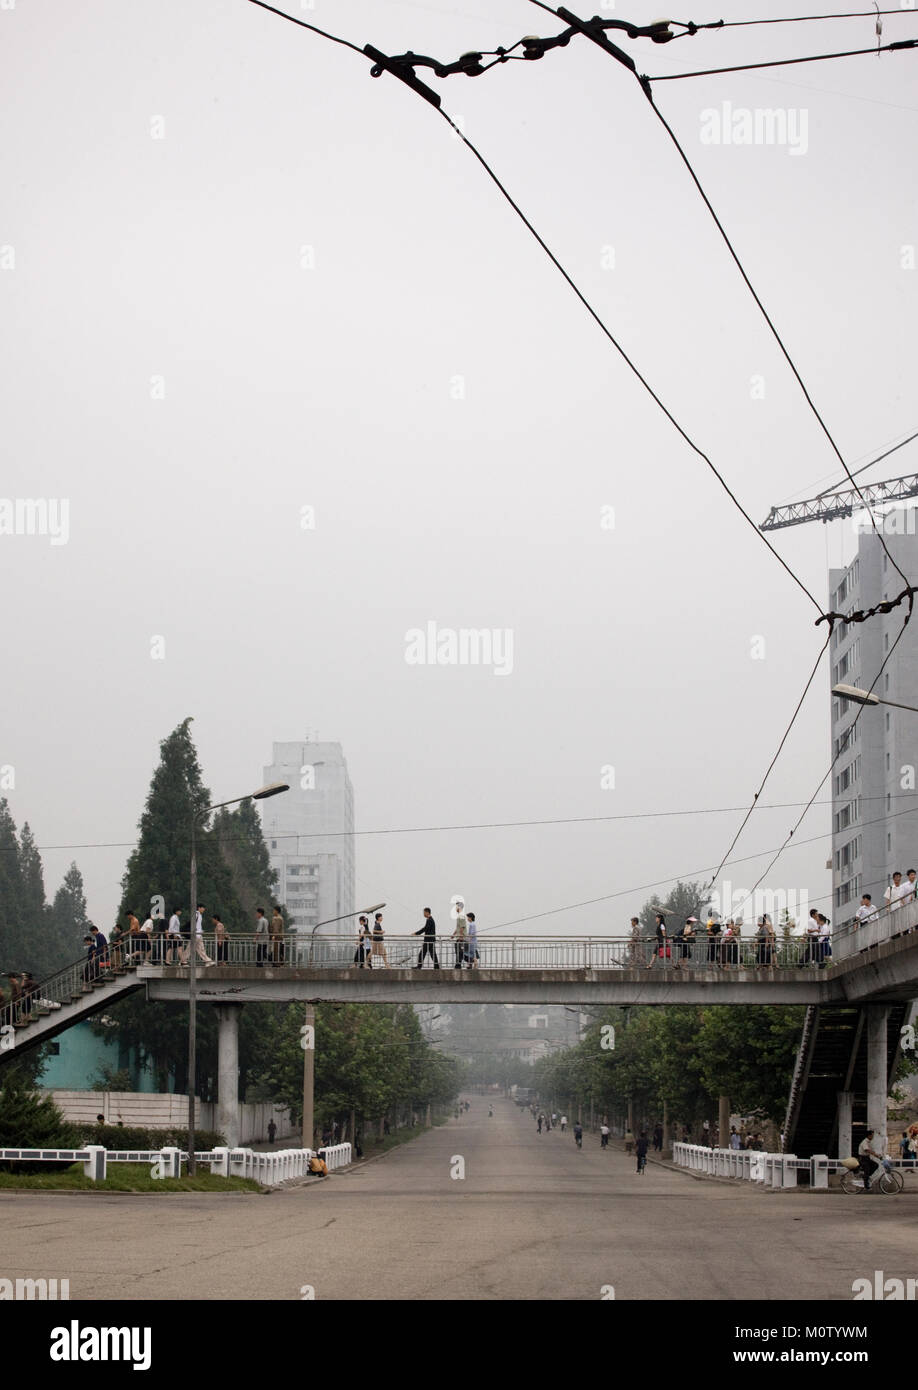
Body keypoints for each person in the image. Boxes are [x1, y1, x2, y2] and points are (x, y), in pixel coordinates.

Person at [451, 903, 468, 969]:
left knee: (460, 952)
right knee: (459, 952)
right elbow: (458, 927)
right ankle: (458, 964)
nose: (455, 908)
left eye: (456, 907)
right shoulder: (459, 916)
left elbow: (462, 927)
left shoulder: (461, 916)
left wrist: (460, 937)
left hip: (461, 939)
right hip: (459, 938)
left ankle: (470, 960)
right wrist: (453, 934)